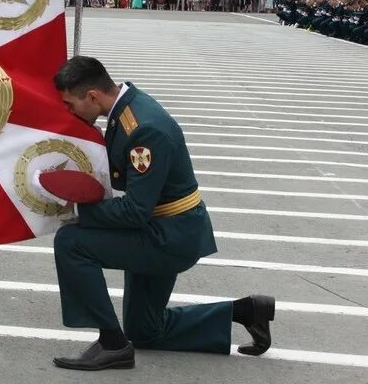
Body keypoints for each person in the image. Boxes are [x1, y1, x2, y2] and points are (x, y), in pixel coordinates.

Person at [45, 56, 275, 371]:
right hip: (167, 225)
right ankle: (246, 311)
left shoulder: (143, 130)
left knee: (70, 242)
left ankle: (112, 344)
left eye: (70, 104)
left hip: (168, 236)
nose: (68, 111)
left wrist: (76, 212)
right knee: (145, 331)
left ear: (93, 97)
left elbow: (135, 211)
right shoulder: (126, 110)